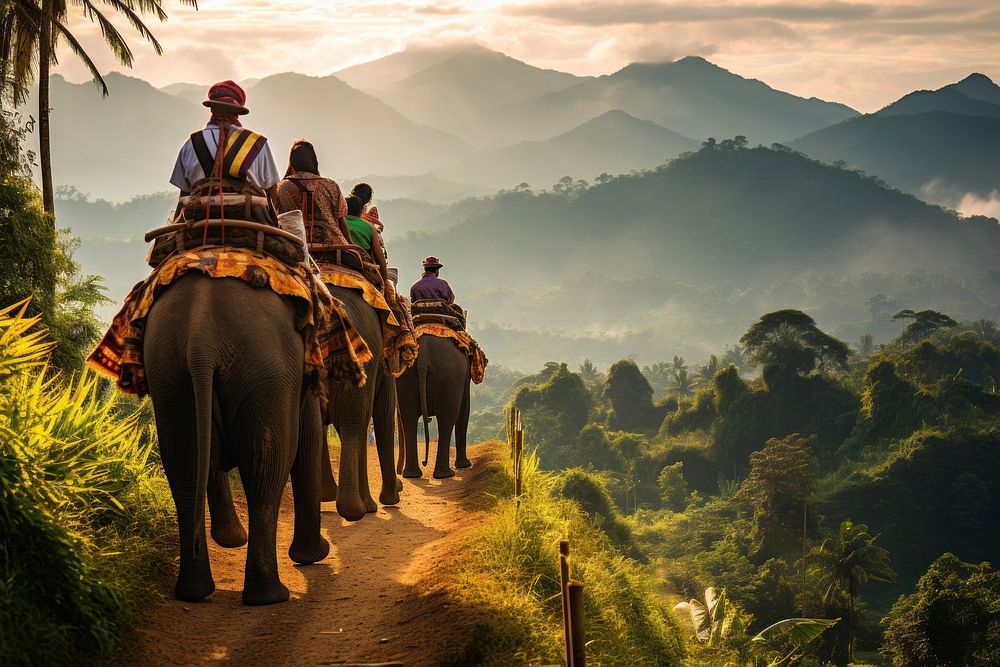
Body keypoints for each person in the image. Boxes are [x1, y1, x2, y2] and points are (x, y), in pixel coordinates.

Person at [170, 80, 279, 206]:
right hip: (251, 217)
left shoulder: (191, 143)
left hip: (198, 216)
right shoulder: (257, 143)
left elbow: (185, 191)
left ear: (212, 109)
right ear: (237, 112)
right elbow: (271, 189)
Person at [274, 139, 352, 247]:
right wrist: (351, 246)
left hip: (293, 246)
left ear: (292, 163)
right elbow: (341, 219)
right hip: (333, 248)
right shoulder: (331, 185)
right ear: (314, 162)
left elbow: (274, 217)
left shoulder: (282, 187)